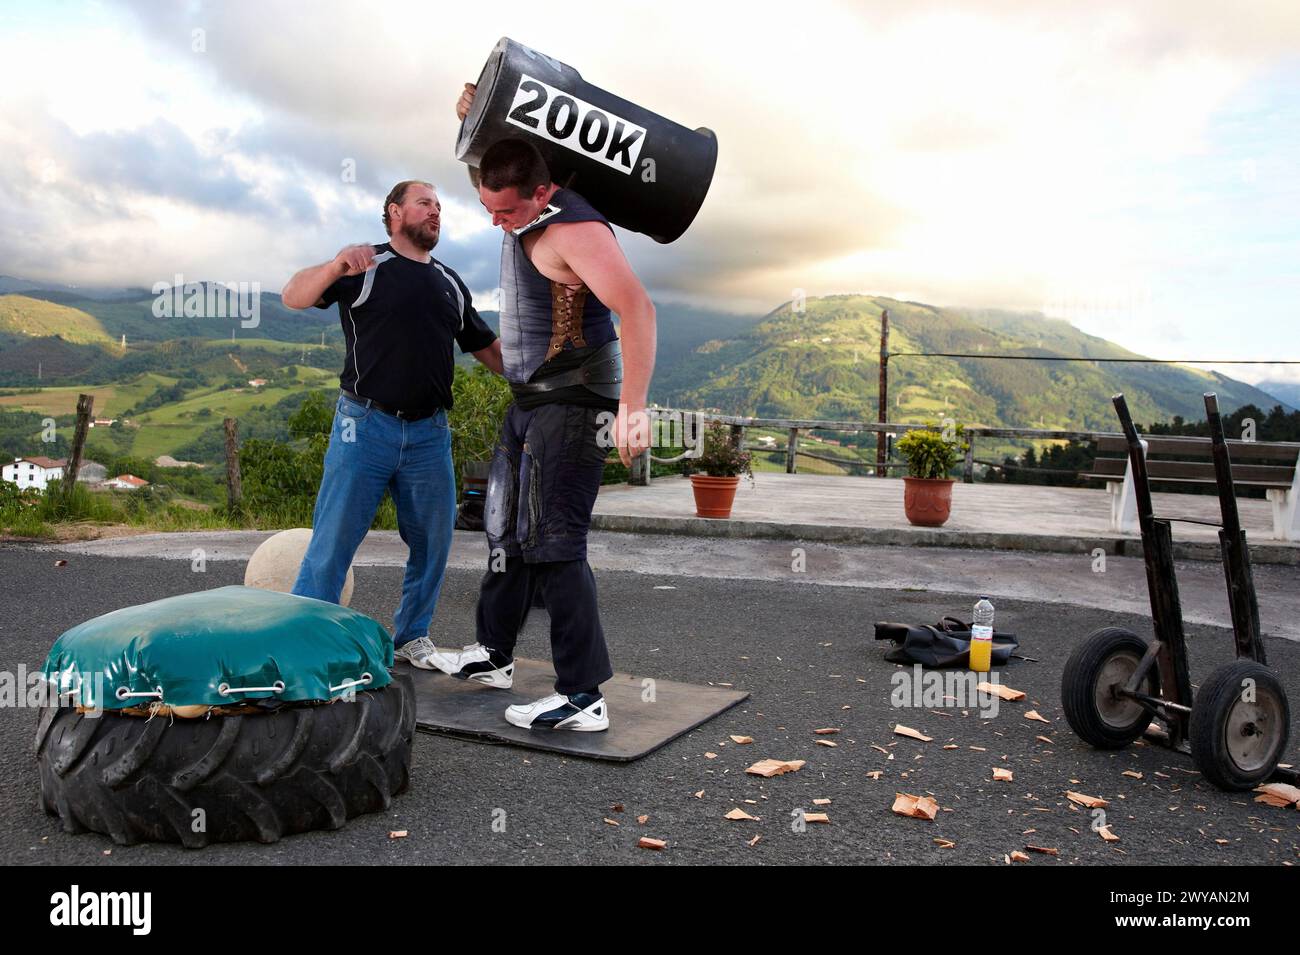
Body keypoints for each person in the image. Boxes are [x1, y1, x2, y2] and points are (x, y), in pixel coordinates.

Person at [430, 83, 655, 732]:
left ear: (541, 193)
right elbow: (493, 169)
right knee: (505, 529)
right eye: (488, 210)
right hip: (528, 399)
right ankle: (495, 654)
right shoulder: (518, 202)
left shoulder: (574, 229)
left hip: (576, 401)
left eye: (504, 212)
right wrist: (474, 117)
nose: (495, 222)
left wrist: (634, 407)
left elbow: (637, 307)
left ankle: (583, 696)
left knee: (556, 543)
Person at [281, 179, 502, 668]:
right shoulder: (364, 265)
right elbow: (293, 296)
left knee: (434, 541)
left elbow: (486, 347)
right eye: (425, 203)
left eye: (440, 207)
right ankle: (302, 641)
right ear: (395, 212)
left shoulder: (450, 282)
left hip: (430, 435)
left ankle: (411, 637)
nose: (436, 212)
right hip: (364, 427)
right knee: (334, 538)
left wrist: (540, 380)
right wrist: (337, 263)